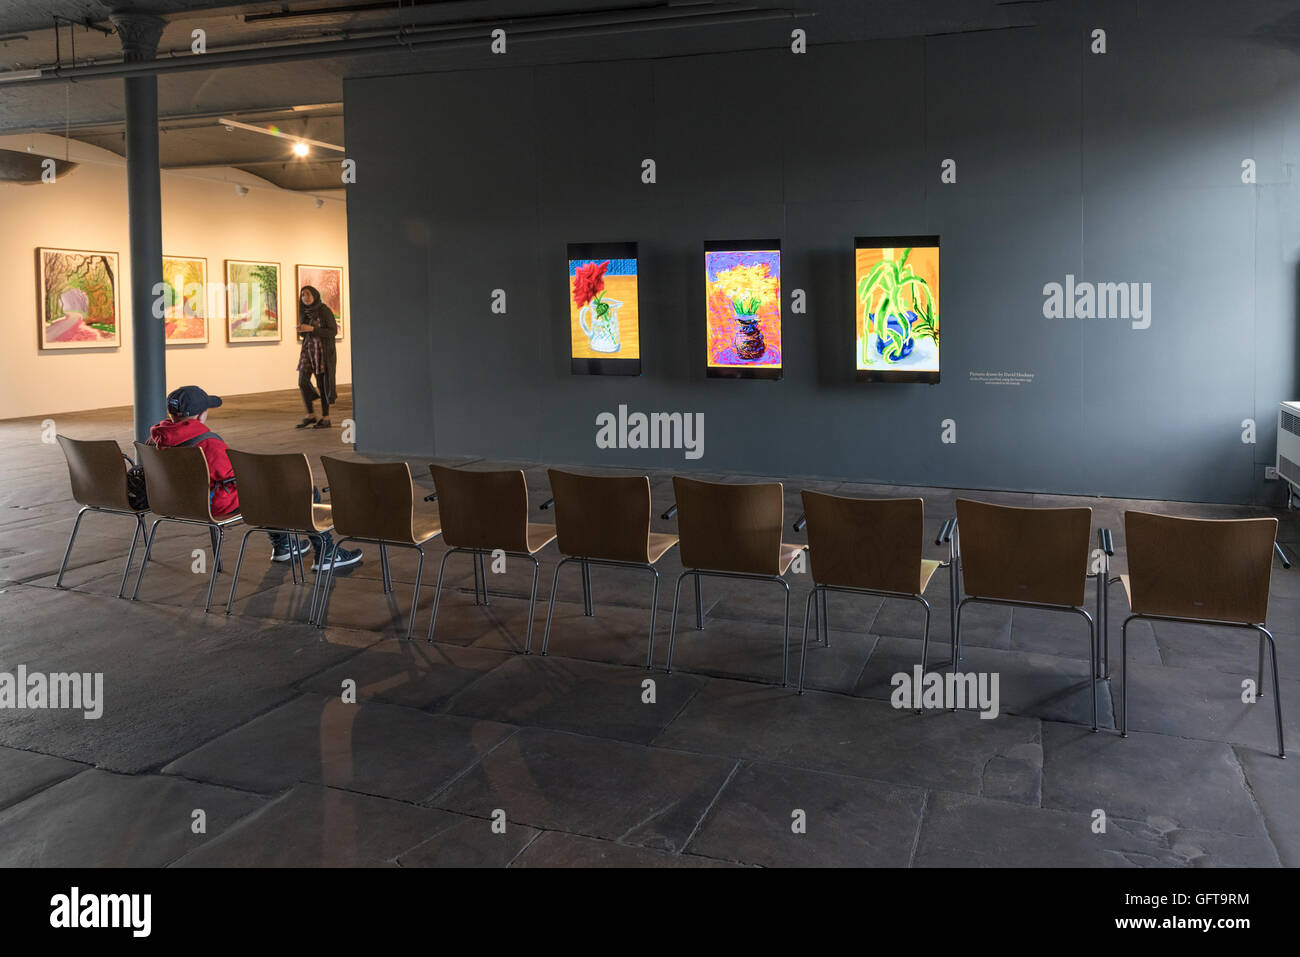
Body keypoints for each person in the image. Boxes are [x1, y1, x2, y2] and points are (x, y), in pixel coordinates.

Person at [149, 385, 362, 571]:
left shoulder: (155, 440)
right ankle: (326, 553)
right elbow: (235, 475)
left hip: (177, 501)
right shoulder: (207, 443)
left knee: (268, 488)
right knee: (301, 489)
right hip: (215, 503)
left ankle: (284, 546)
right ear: (200, 415)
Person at [295, 285, 338, 429]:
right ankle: (311, 415)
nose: (305, 297)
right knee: (302, 381)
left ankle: (326, 418)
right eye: (303, 295)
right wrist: (302, 330)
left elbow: (332, 332)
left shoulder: (324, 310)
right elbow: (305, 334)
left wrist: (312, 329)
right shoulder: (304, 311)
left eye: (308, 294)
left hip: (322, 352)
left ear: (315, 295)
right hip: (308, 350)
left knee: (322, 384)